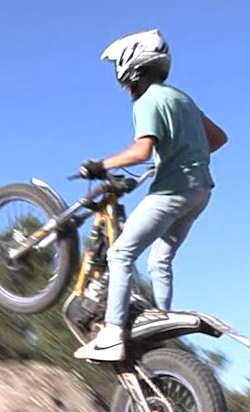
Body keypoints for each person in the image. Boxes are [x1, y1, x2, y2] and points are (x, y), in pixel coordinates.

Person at [73, 29, 228, 362]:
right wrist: (182, 155)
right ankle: (159, 318)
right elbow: (218, 138)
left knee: (120, 255)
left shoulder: (147, 101)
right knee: (160, 259)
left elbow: (142, 150)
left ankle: (112, 333)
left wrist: (101, 164)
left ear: (131, 68)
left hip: (172, 192)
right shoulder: (182, 99)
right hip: (200, 191)